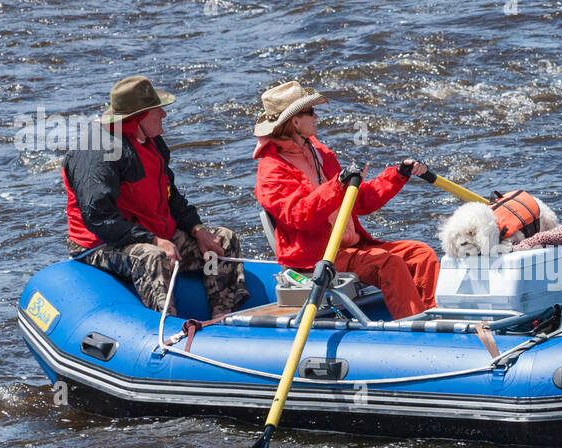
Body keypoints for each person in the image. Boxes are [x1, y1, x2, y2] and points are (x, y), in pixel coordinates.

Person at [62, 75, 249, 319]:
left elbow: (171, 196)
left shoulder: (152, 143)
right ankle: (166, 324)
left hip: (150, 231)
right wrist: (153, 240)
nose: (164, 115)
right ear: (138, 118)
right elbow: (98, 219)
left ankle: (222, 313)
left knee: (223, 240)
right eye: (157, 110)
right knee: (154, 257)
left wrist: (196, 228)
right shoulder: (97, 153)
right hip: (102, 243)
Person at [252, 80, 439, 320]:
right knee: (389, 263)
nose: (316, 116)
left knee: (421, 254)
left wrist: (398, 174)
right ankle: (413, 330)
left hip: (351, 249)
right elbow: (300, 215)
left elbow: (359, 202)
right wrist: (338, 184)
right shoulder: (271, 171)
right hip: (321, 259)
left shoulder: (320, 153)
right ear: (295, 122)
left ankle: (429, 320)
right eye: (310, 112)